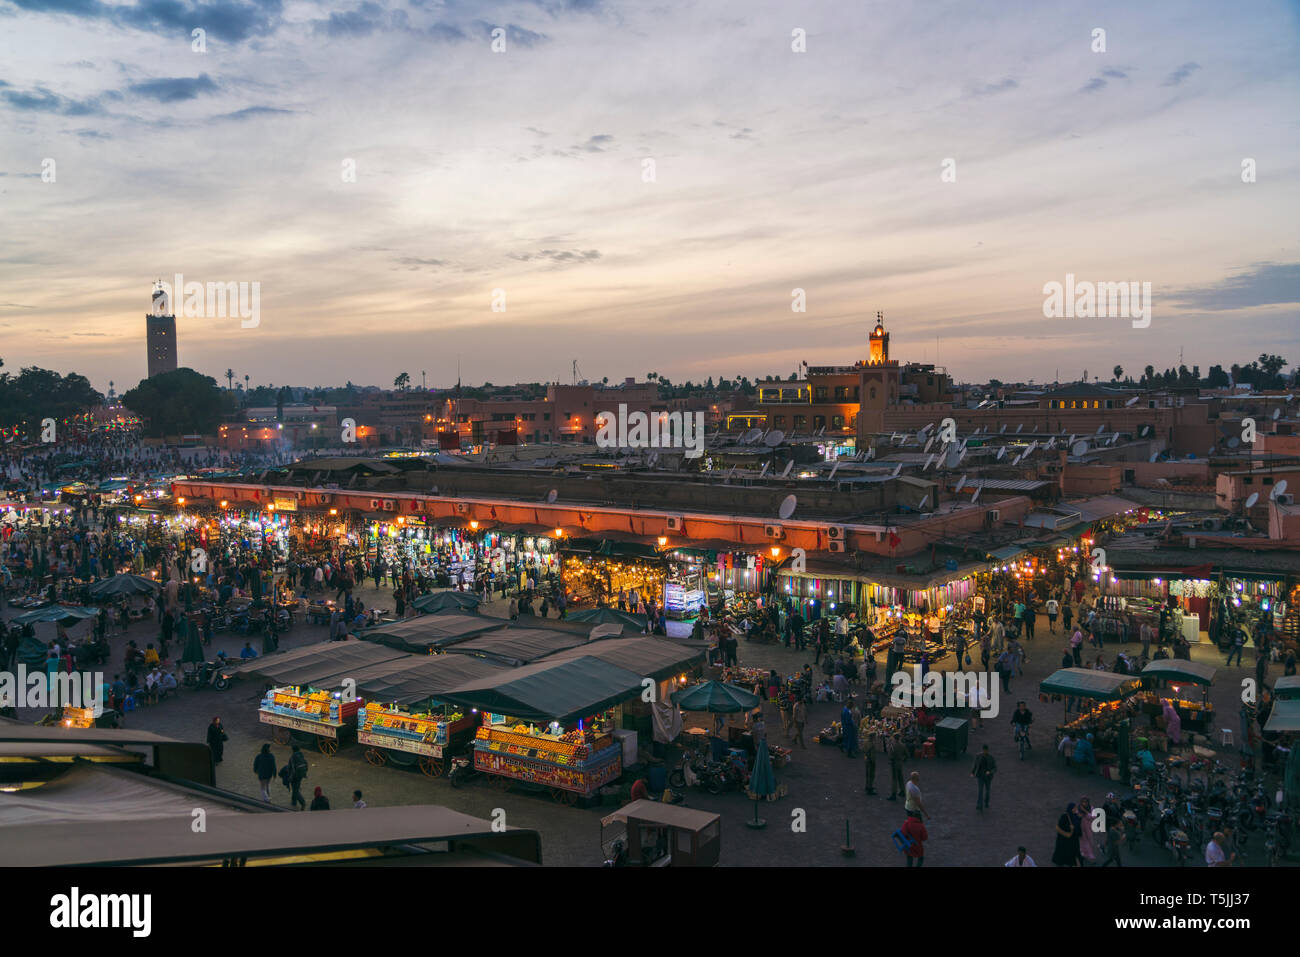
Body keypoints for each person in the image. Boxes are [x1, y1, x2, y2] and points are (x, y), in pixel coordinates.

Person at [972, 743, 996, 810]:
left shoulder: (991, 758)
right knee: (980, 791)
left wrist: (990, 772)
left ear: (988, 750)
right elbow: (975, 765)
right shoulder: (978, 756)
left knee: (987, 791)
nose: (985, 752)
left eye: (986, 750)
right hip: (980, 776)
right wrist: (973, 772)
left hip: (988, 777)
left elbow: (995, 768)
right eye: (984, 750)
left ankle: (986, 802)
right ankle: (979, 805)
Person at [287, 744, 309, 810]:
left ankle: (303, 802)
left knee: (295, 790)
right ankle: (294, 802)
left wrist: (290, 776)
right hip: (301, 775)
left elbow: (292, 768)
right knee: (296, 788)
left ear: (292, 750)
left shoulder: (292, 757)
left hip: (295, 776)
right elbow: (306, 763)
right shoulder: (301, 755)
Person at [887, 734, 907, 801]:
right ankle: (902, 791)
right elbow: (907, 754)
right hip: (900, 762)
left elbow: (890, 755)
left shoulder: (892, 745)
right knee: (900, 777)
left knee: (894, 779)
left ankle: (893, 794)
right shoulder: (902, 745)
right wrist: (902, 759)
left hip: (894, 763)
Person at [861, 726, 878, 795]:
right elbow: (873, 756)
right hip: (871, 761)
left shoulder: (865, 742)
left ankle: (867, 786)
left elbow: (863, 750)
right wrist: (874, 762)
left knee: (867, 774)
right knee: (871, 775)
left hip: (866, 759)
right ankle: (870, 788)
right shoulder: (872, 745)